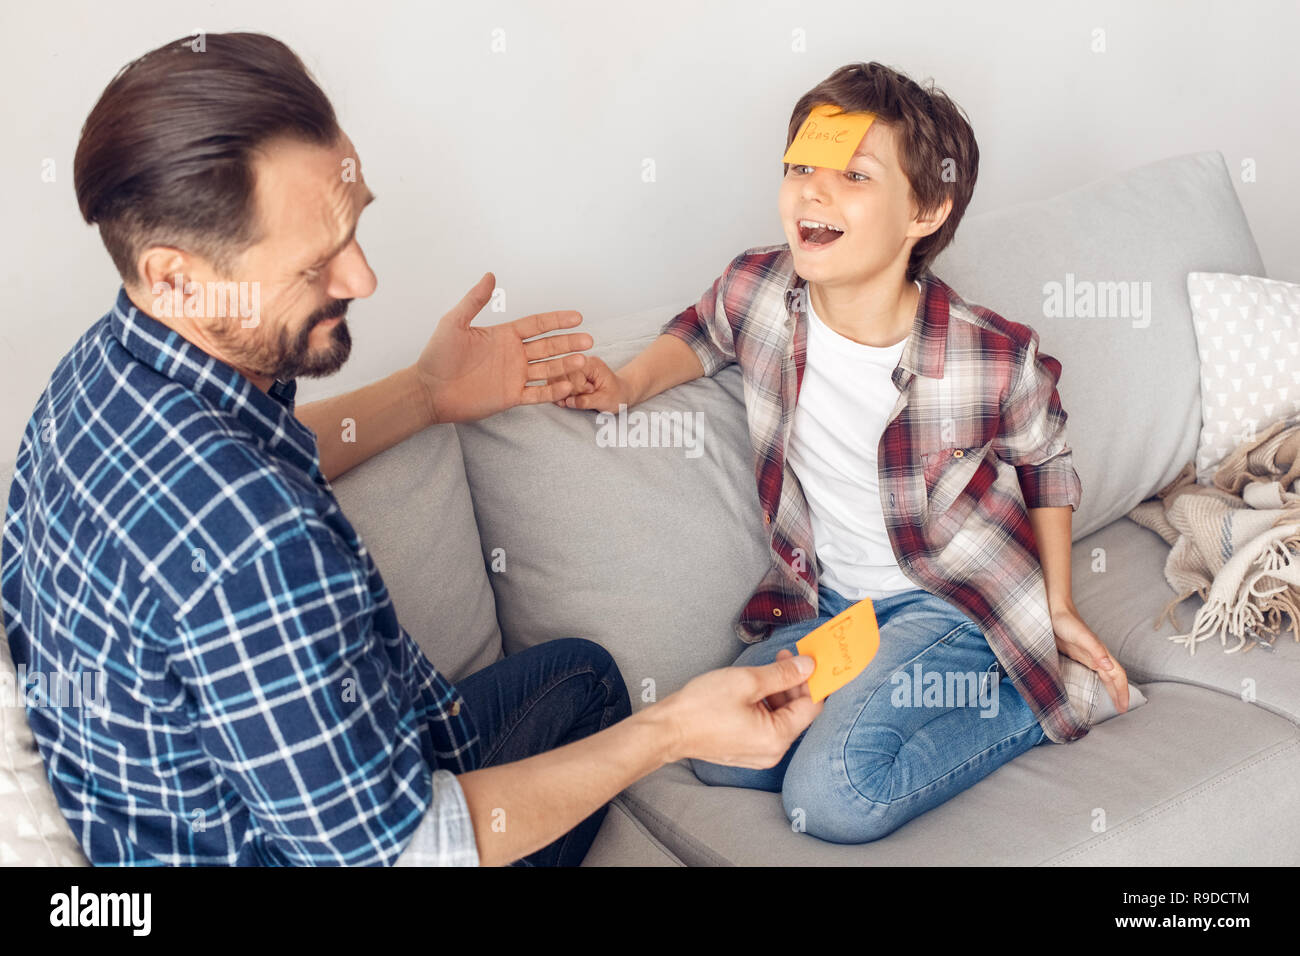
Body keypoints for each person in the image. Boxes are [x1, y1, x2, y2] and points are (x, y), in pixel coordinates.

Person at [0, 32, 822, 867]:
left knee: (580, 679)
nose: (362, 280)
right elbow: (407, 850)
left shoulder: (99, 376)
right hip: (345, 846)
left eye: (353, 230)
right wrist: (675, 728)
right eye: (315, 263)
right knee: (621, 712)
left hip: (216, 803)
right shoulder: (252, 545)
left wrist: (426, 395)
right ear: (175, 275)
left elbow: (251, 459)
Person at [553, 62, 1131, 844]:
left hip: (950, 604)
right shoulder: (757, 290)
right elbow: (700, 331)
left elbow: (1047, 463)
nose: (813, 193)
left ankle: (1038, 695)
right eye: (799, 168)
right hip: (831, 606)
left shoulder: (989, 356)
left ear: (924, 209)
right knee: (725, 754)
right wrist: (624, 385)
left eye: (853, 175)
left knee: (834, 798)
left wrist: (1057, 606)